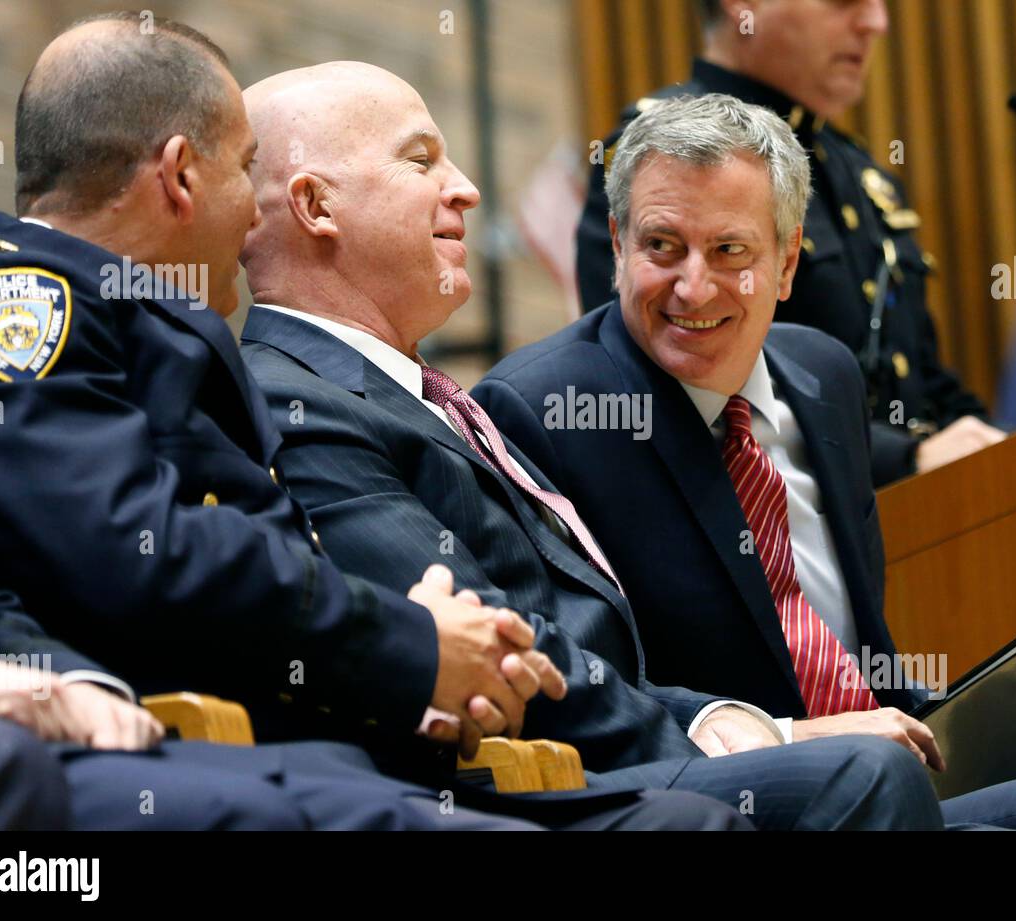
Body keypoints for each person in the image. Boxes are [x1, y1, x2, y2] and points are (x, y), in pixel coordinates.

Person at [0, 12, 750, 833]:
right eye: (246, 168)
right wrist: (413, 644)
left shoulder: (136, 324)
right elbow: (132, 551)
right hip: (223, 753)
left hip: (317, 740)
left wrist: (406, 679)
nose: (255, 219)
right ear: (182, 177)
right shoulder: (28, 307)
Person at [476, 93, 1016, 830]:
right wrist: (795, 738)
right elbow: (582, 684)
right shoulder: (542, 410)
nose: (693, 284)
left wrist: (986, 711)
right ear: (616, 245)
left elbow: (856, 663)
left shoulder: (824, 376)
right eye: (661, 246)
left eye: (731, 250)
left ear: (785, 264)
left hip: (900, 772)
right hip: (757, 802)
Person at [238, 61, 949, 831]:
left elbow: (580, 647)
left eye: (732, 252)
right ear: (314, 205)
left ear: (786, 261)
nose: (466, 188)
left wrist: (720, 716)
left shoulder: (411, 392)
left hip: (657, 752)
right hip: (550, 792)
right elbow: (496, 650)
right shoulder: (300, 401)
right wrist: (764, 735)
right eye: (421, 160)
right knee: (867, 774)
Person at [574, 0, 1005, 486]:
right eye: (845, 2)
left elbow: (918, 375)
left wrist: (1000, 448)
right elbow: (665, 382)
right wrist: (900, 458)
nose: (874, 22)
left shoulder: (858, 175)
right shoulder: (660, 162)